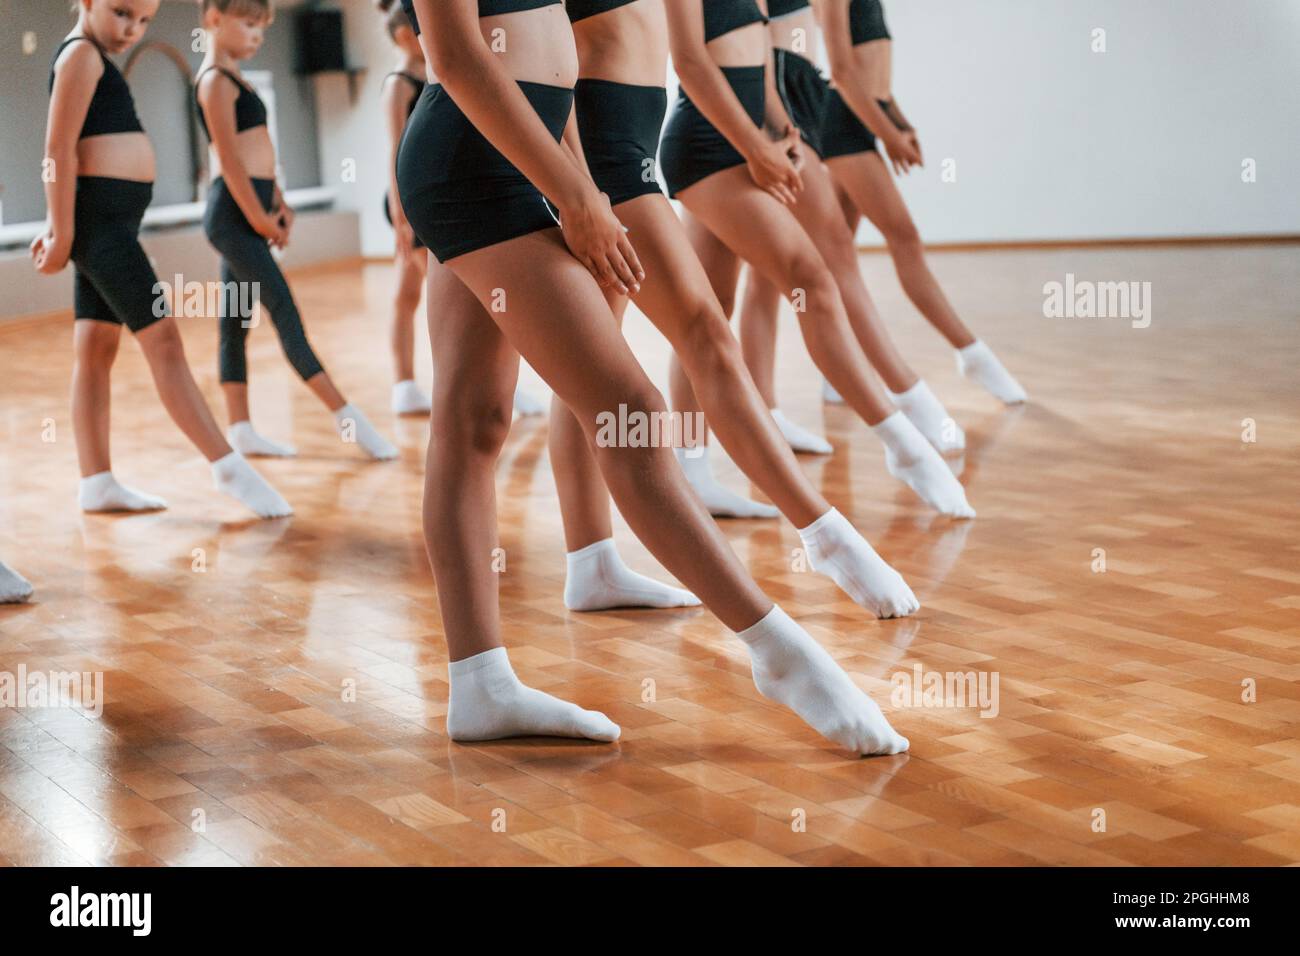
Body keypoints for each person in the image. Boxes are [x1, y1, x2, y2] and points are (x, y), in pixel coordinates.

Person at [395, 0, 909, 754]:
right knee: (630, 407)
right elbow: (458, 57)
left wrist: (579, 180)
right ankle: (780, 652)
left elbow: (557, 61)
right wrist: (572, 195)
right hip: (474, 164)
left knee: (475, 421)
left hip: (535, 148)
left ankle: (480, 686)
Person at [660, 0, 974, 513]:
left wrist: (784, 130)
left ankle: (691, 470)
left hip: (753, 138)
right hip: (705, 148)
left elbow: (761, 57)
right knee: (810, 277)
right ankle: (903, 444)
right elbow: (690, 61)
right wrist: (753, 148)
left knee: (705, 314)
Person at [34, 0, 292, 519]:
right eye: (122, 12)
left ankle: (97, 481)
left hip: (112, 224)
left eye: (145, 20)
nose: (133, 29)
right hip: (99, 228)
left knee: (96, 349)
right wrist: (61, 233)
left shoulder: (97, 58)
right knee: (165, 340)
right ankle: (227, 467)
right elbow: (59, 149)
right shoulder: (81, 55)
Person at [741, 0, 1027, 430]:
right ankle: (968, 354)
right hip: (842, 123)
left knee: (827, 259)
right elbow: (842, 72)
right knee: (900, 236)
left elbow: (877, 77)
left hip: (859, 121)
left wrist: (898, 121)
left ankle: (835, 376)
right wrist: (889, 134)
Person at [196, 0, 398, 460]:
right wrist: (259, 218)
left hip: (248, 213)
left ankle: (242, 428)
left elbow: (259, 154)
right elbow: (228, 161)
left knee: (234, 323)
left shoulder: (236, 79)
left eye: (262, 28)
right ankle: (353, 423)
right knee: (285, 314)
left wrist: (280, 202)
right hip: (233, 217)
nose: (257, 35)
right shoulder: (213, 83)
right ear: (213, 20)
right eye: (249, 25)